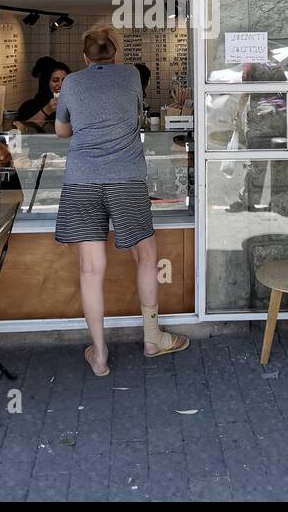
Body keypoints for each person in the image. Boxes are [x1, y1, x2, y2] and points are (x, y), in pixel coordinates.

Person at [55, 25, 189, 376]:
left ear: (85, 57)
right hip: (126, 177)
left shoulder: (70, 83)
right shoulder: (130, 75)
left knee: (90, 268)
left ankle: (99, 354)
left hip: (82, 179)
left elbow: (61, 131)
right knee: (145, 256)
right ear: (114, 54)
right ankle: (151, 338)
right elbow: (133, 112)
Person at [228, 60, 288, 217]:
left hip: (258, 120)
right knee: (280, 163)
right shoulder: (277, 66)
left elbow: (245, 92)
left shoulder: (250, 66)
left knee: (256, 164)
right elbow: (285, 90)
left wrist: (237, 115)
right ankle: (280, 202)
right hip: (277, 119)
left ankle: (250, 200)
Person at [15, 57, 70, 133]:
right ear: (46, 82)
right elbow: (21, 134)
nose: (61, 84)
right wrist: (47, 110)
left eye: (65, 80)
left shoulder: (74, 104)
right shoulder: (29, 107)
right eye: (55, 80)